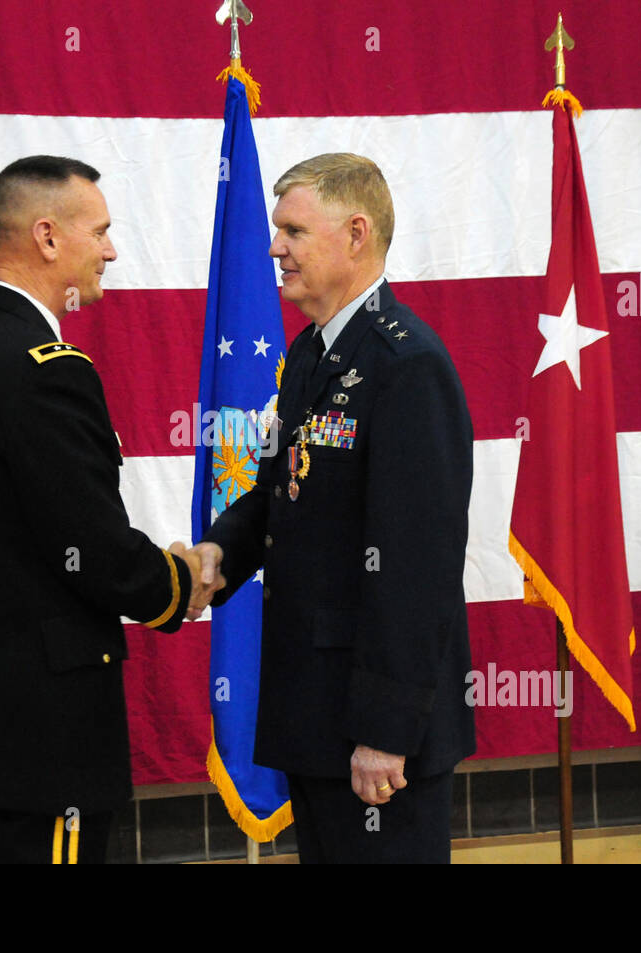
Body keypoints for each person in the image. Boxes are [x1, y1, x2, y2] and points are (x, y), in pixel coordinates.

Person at [0, 155, 222, 864]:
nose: (110, 249)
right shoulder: (48, 371)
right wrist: (178, 584)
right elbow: (94, 545)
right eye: (98, 231)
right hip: (48, 728)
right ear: (46, 236)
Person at [189, 153, 475, 863]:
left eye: (292, 229)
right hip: (316, 713)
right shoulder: (313, 355)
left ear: (355, 233)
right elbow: (274, 492)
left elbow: (416, 567)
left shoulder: (406, 365)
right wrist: (217, 555)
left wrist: (383, 730)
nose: (274, 246)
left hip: (373, 729)